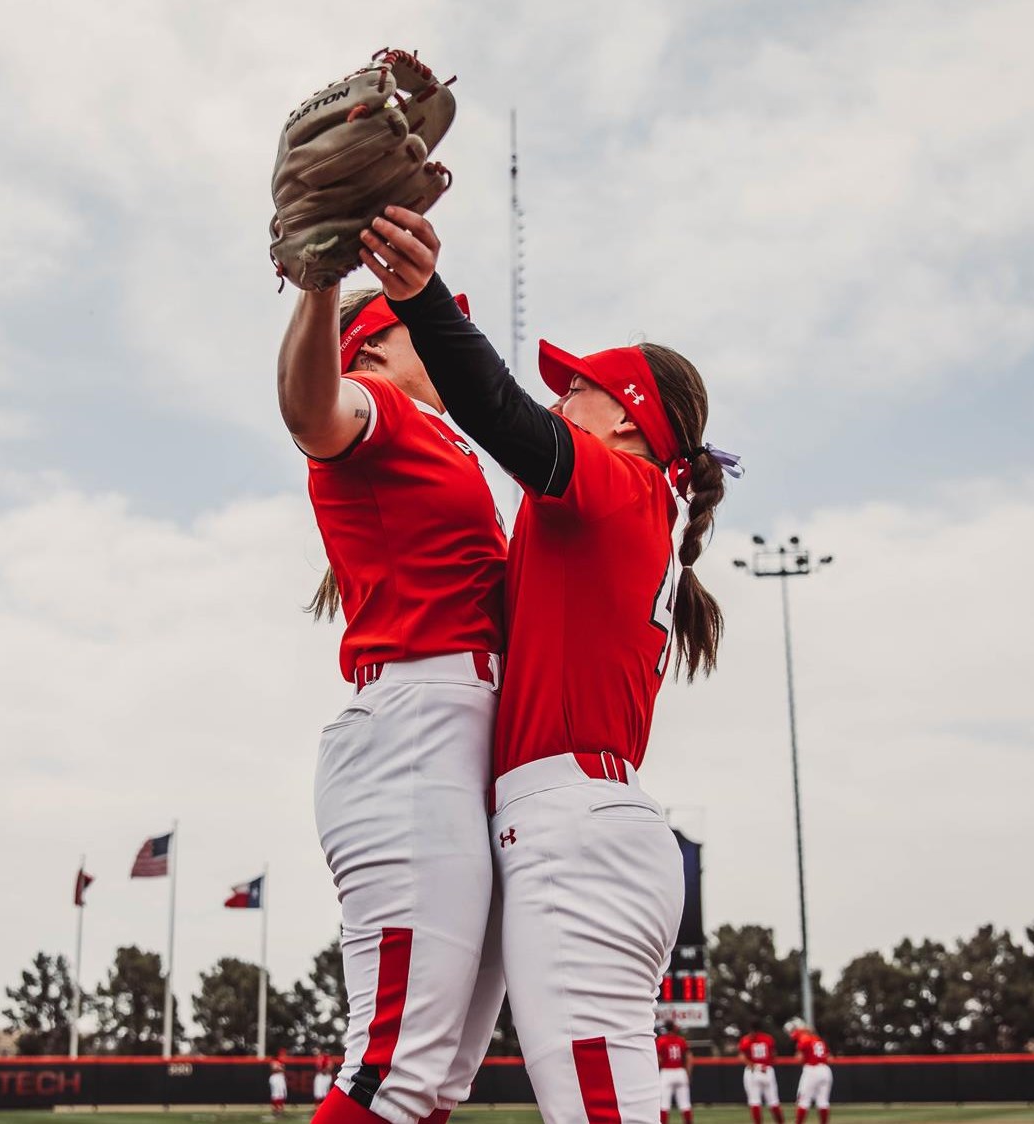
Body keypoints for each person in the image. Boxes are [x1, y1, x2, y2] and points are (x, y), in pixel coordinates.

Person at [359, 206, 735, 1124]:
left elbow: (499, 412)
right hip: (577, 822)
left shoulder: (627, 485)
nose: (563, 397)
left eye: (582, 388)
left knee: (604, 1115)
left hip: (575, 828)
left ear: (632, 419)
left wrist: (422, 298)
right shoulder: (616, 510)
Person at [277, 263, 510, 1124]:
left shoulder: (445, 435)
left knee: (439, 1079)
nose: (449, 337)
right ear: (372, 341)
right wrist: (316, 287)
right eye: (425, 324)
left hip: (460, 738)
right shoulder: (377, 404)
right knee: (396, 1067)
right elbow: (309, 411)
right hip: (416, 732)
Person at [736, 1025, 784, 1124]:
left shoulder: (747, 1039)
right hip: (767, 1070)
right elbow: (774, 1055)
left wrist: (754, 1066)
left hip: (753, 1071)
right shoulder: (768, 1038)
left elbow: (742, 1057)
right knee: (774, 1102)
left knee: (755, 1102)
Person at [790, 1023, 832, 1124]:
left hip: (812, 1070)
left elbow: (799, 1058)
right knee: (823, 1102)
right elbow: (829, 1057)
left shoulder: (805, 1040)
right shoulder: (819, 1040)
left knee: (803, 1101)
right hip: (825, 1070)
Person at [654, 1022, 693, 1124]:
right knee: (685, 1104)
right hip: (680, 1072)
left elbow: (659, 1059)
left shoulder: (661, 1040)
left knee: (664, 1104)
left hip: (667, 1072)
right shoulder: (681, 1040)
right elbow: (689, 1057)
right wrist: (688, 1074)